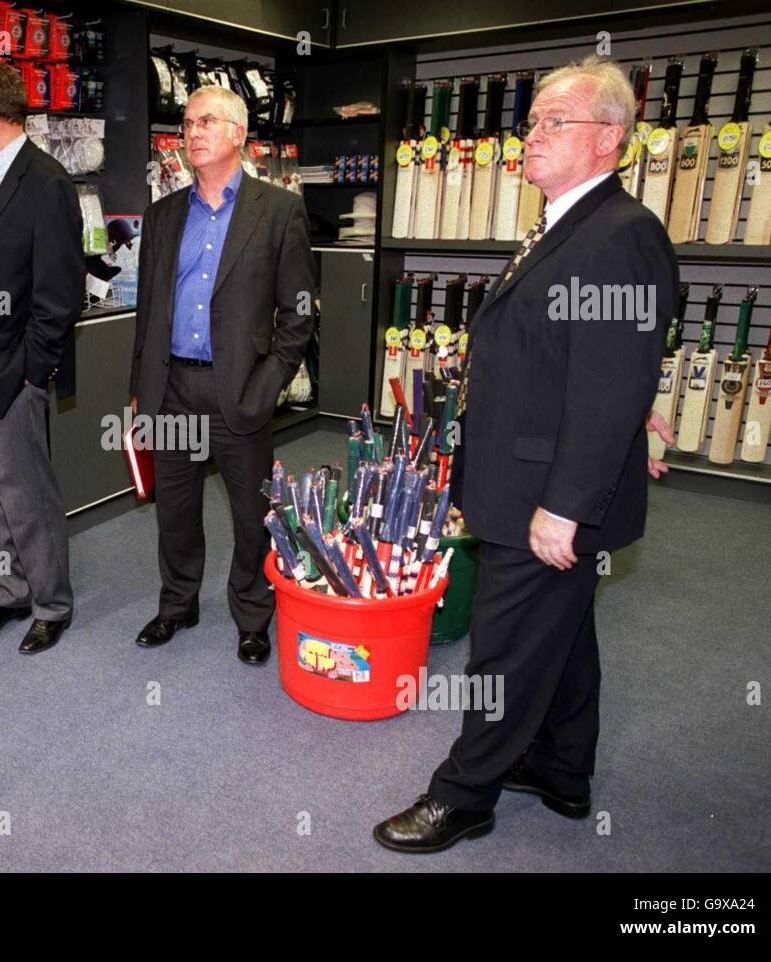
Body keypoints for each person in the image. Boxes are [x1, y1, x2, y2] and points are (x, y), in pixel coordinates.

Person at [374, 57, 680, 852]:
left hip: (548, 495)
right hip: (524, 473)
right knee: (563, 632)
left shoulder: (623, 236)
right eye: (533, 120)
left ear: (609, 137)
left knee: (504, 646)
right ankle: (561, 769)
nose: (530, 135)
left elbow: (611, 382)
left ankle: (463, 794)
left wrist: (569, 503)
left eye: (554, 122)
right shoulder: (569, 224)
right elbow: (582, 361)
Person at [129, 86, 314, 665]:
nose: (193, 131)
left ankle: (253, 614)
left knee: (250, 514)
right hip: (173, 391)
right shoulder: (161, 217)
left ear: (238, 134)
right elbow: (149, 313)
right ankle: (177, 604)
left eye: (207, 120)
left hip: (240, 390)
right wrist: (139, 391)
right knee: (175, 511)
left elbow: (299, 312)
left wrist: (269, 384)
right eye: (187, 123)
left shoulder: (278, 210)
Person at [0, 61, 84, 655]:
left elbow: (59, 292)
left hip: (12, 374)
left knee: (28, 498)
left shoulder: (44, 181)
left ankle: (52, 603)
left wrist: (32, 372)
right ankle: (9, 591)